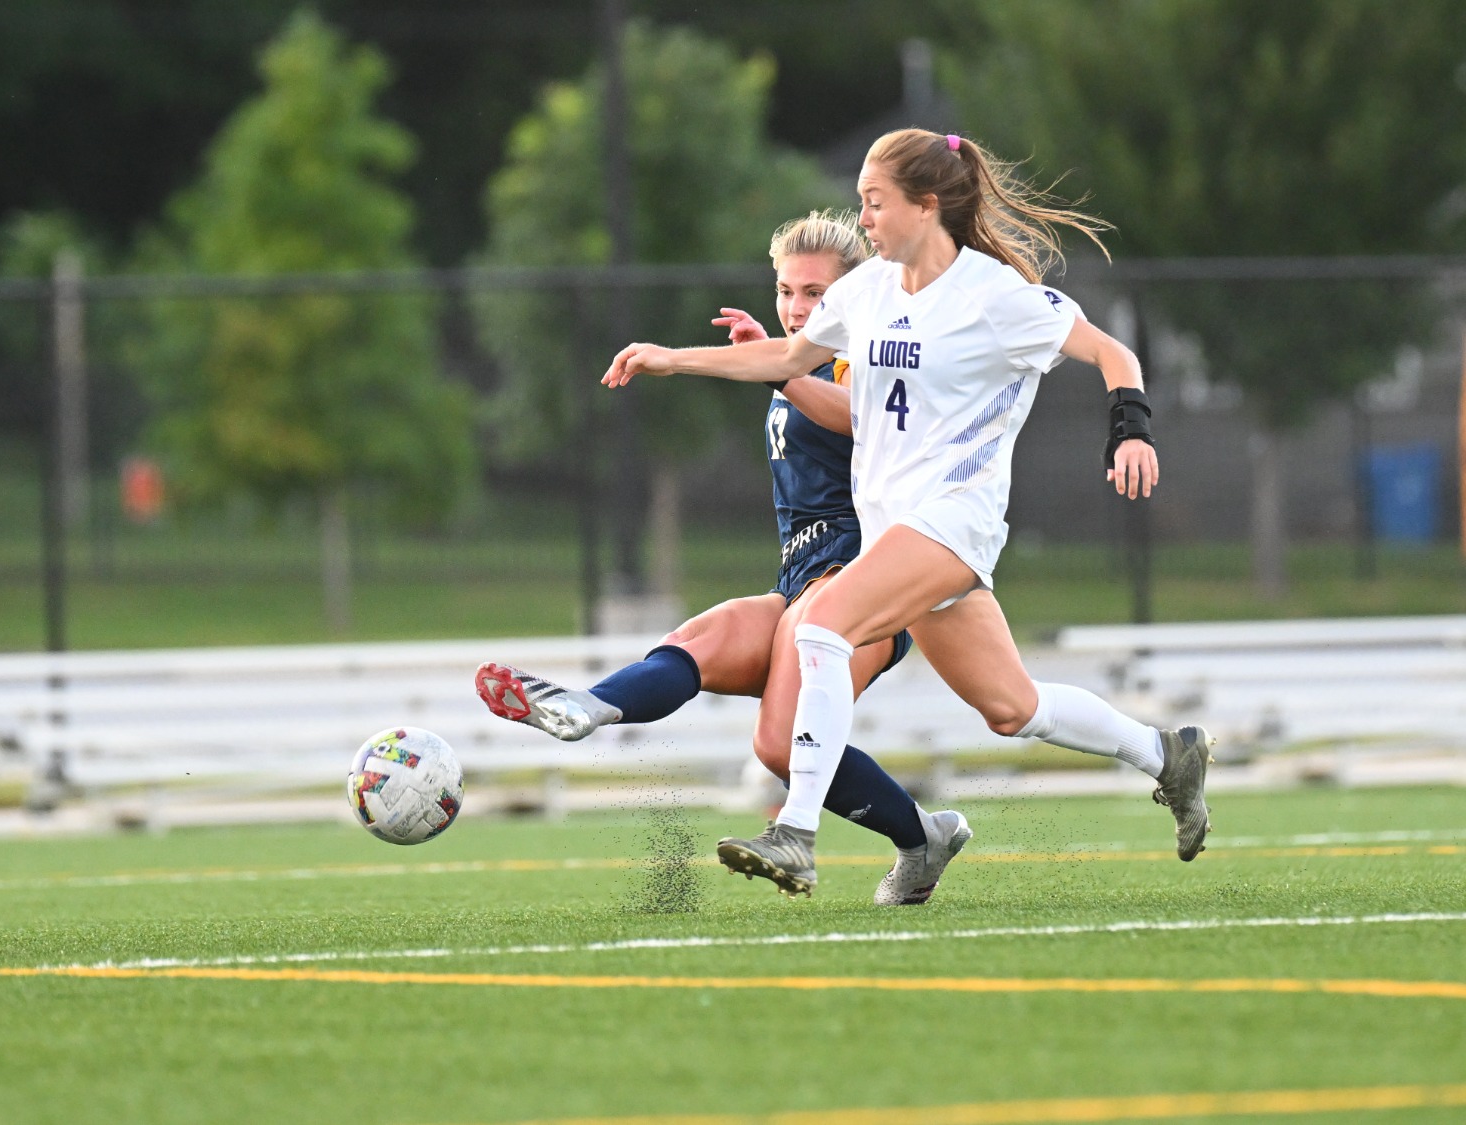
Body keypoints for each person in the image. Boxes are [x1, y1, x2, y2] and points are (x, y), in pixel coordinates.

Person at [603, 130, 1212, 897]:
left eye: (874, 201)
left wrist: (1132, 431)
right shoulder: (869, 291)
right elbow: (787, 361)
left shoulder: (996, 297)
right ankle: (1167, 755)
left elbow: (1112, 353)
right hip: (899, 530)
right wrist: (672, 357)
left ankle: (795, 831)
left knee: (823, 625)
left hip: (955, 520)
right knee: (1012, 708)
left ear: (927, 207)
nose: (864, 218)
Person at [478, 212, 972, 904]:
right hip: (798, 580)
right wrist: (772, 358)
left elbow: (859, 414)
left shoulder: (877, 352)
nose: (796, 307)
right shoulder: (798, 360)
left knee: (777, 746)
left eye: (813, 293)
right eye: (785, 290)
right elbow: (789, 376)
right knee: (697, 641)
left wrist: (773, 365)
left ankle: (920, 838)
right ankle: (588, 706)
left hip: (865, 584)